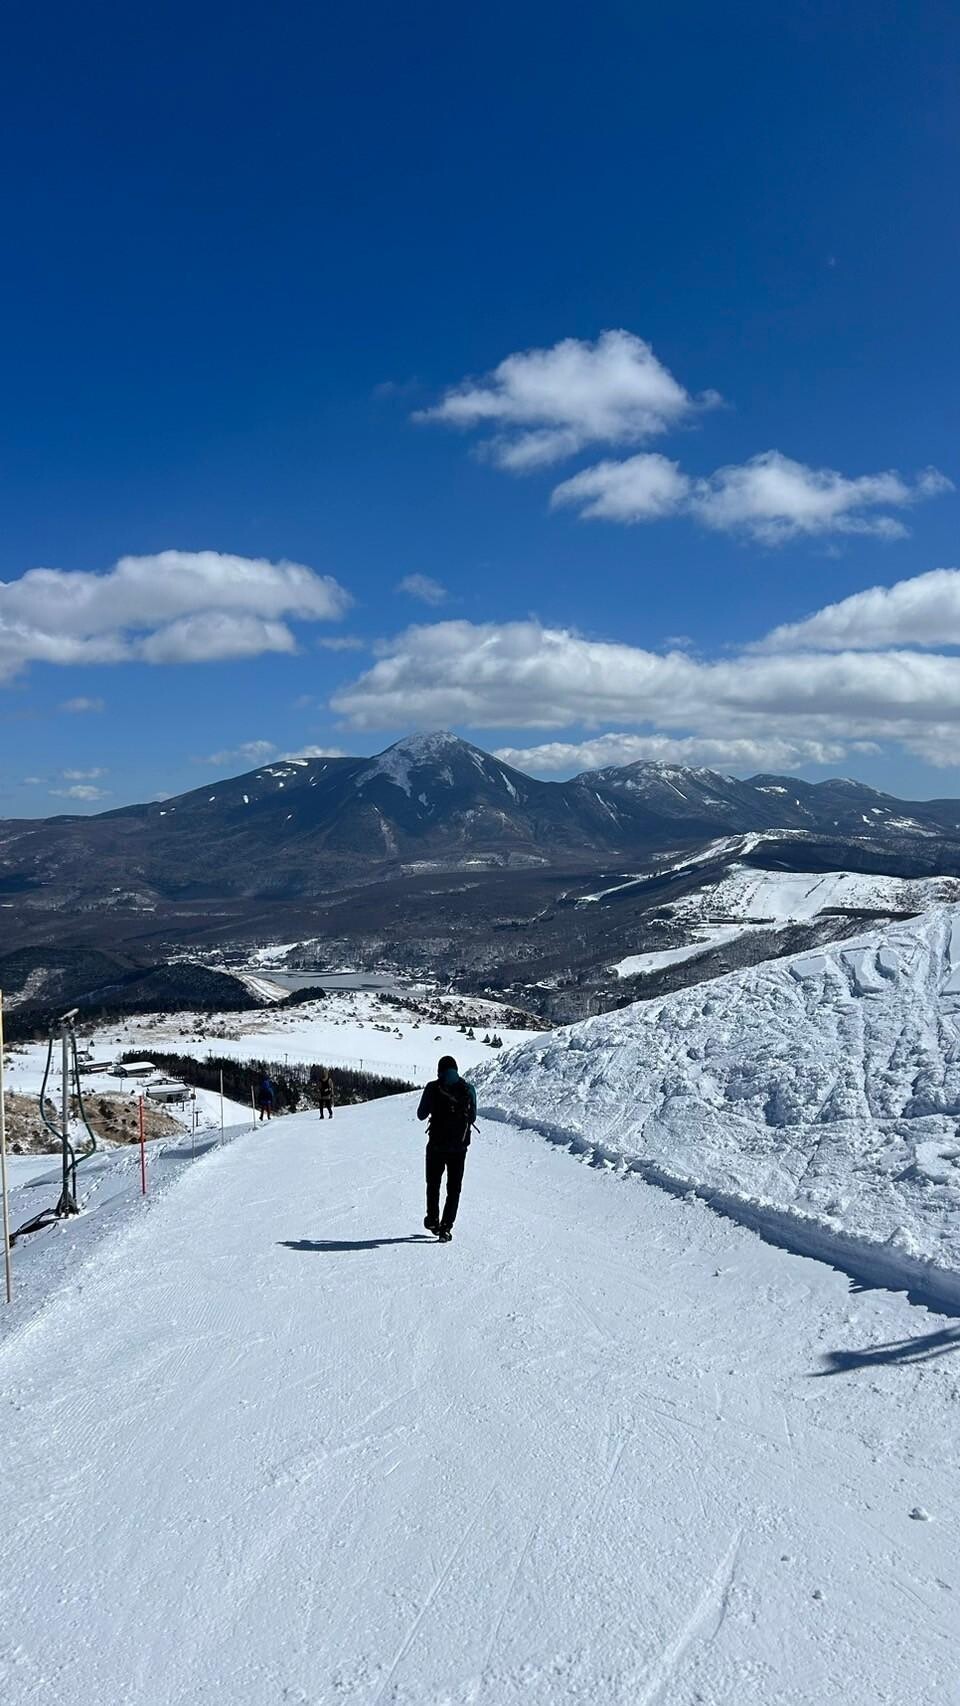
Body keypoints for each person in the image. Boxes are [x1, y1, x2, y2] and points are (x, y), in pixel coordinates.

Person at [417, 1055, 477, 1242]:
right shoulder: (468, 1089)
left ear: (439, 1070)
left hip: (436, 1145)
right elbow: (473, 1118)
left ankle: (433, 1220)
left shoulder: (433, 1087)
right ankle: (446, 1227)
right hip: (459, 1147)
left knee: (433, 1184)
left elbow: (421, 1115)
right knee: (454, 1189)